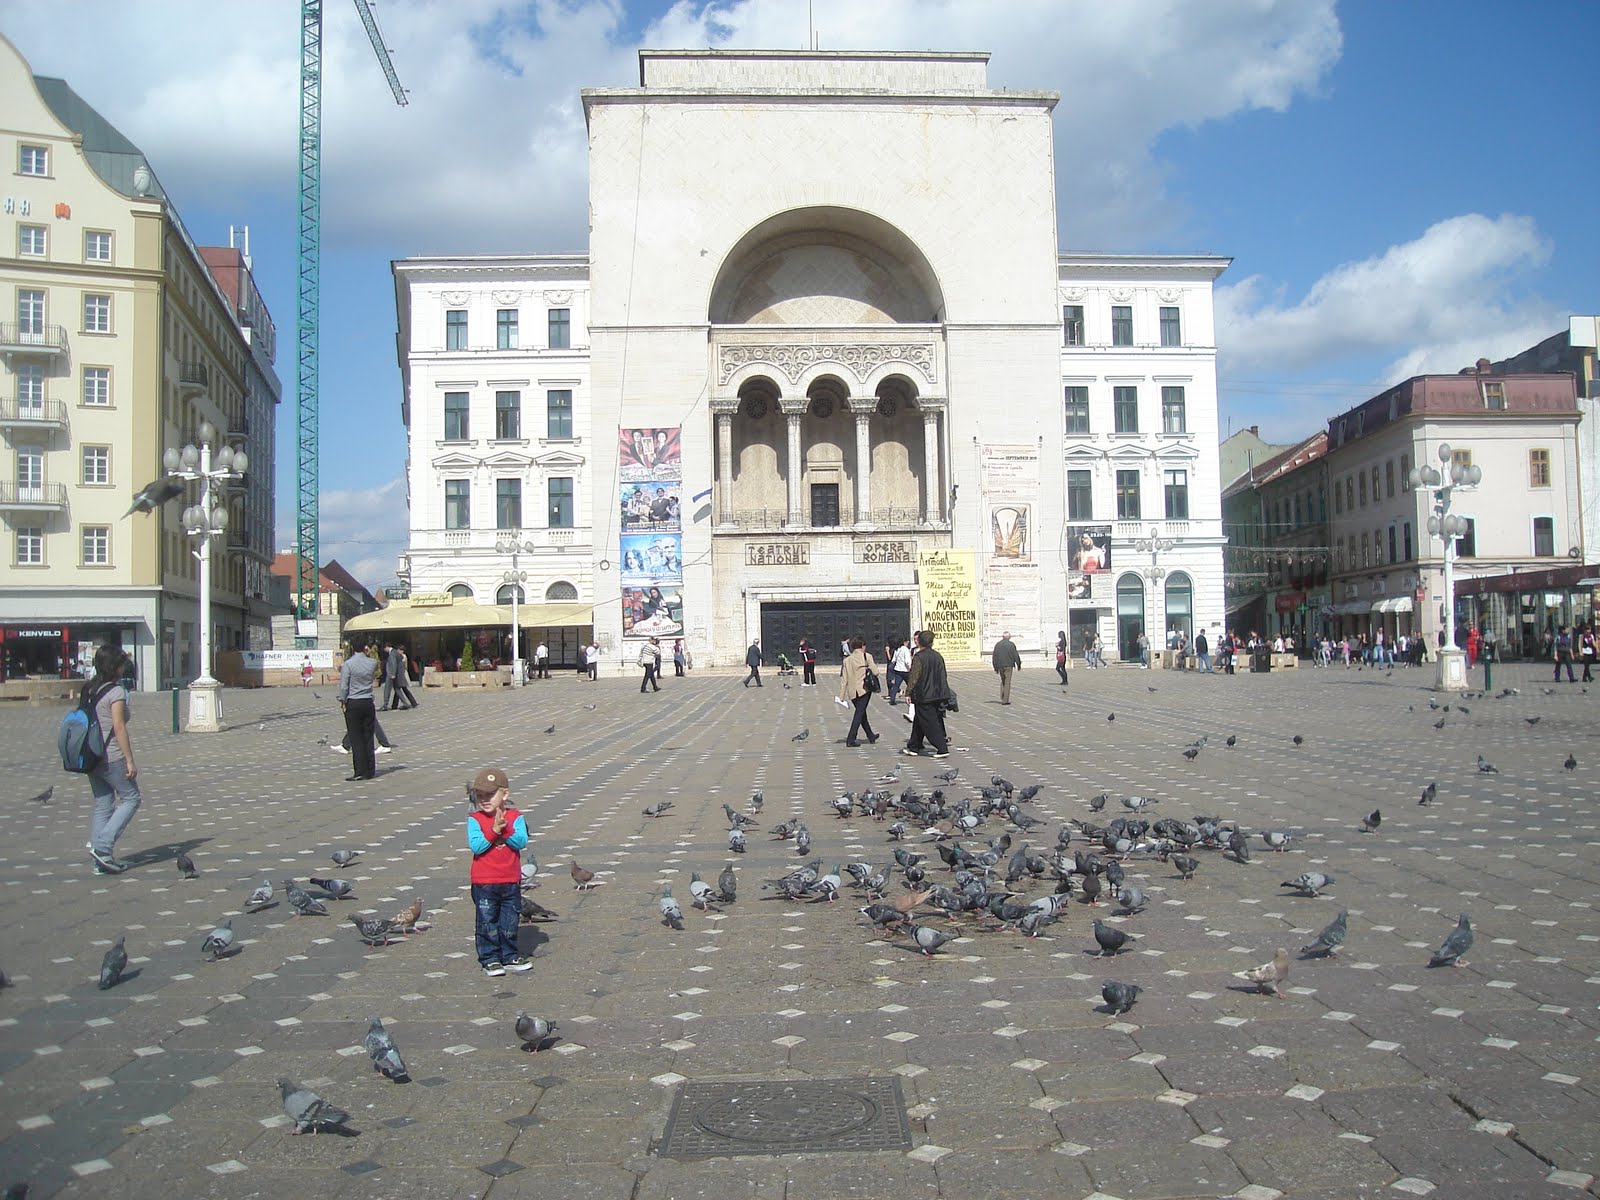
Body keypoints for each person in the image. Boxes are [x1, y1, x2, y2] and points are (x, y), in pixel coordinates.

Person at [465, 767, 533, 978]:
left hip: (510, 879)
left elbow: (521, 842)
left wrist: (505, 828)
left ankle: (509, 955)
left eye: (490, 794)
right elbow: (477, 846)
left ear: (505, 794)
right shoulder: (475, 819)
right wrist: (494, 831)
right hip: (484, 881)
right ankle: (489, 958)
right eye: (480, 795)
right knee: (487, 921)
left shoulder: (515, 817)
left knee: (509, 921)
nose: (484, 800)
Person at [81, 643, 140, 874]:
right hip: (111, 755)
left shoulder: (89, 688)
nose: (124, 667)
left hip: (91, 755)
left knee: (103, 802)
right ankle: (103, 847)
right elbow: (119, 727)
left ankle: (100, 860)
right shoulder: (116, 692)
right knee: (131, 798)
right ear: (115, 666)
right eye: (122, 664)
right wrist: (129, 760)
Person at [902, 630, 953, 758]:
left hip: (924, 694)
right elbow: (943, 675)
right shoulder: (938, 656)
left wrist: (908, 692)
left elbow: (914, 676)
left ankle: (942, 748)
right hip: (937, 693)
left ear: (919, 642)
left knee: (930, 723)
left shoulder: (919, 657)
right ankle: (914, 746)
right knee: (919, 720)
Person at [338, 637, 379, 781]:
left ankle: (360, 771)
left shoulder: (348, 664)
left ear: (352, 648)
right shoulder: (372, 663)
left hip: (353, 702)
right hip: (368, 701)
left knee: (356, 738)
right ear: (365, 648)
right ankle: (370, 770)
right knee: (368, 737)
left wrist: (342, 700)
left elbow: (344, 686)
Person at [838, 636, 881, 747]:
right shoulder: (867, 656)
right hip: (864, 690)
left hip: (852, 692)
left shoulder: (847, 660)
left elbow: (844, 680)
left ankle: (870, 735)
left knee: (861, 713)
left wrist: (841, 696)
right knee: (859, 714)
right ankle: (851, 738)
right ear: (862, 646)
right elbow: (876, 672)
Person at [991, 631, 1021, 705]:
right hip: (1008, 665)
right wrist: (1018, 664)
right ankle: (1005, 700)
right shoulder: (1011, 644)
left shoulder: (998, 644)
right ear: (1009, 637)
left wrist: (995, 667)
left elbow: (994, 656)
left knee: (1003, 680)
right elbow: (1015, 655)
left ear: (1003, 637)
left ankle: (1002, 696)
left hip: (1000, 665)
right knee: (1007, 682)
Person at [889, 637, 912, 705]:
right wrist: (911, 668)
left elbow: (893, 660)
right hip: (905, 671)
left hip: (898, 670)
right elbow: (907, 661)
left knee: (896, 685)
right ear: (905, 642)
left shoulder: (897, 649)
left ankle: (892, 699)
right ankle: (913, 697)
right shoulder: (906, 650)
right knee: (910, 685)